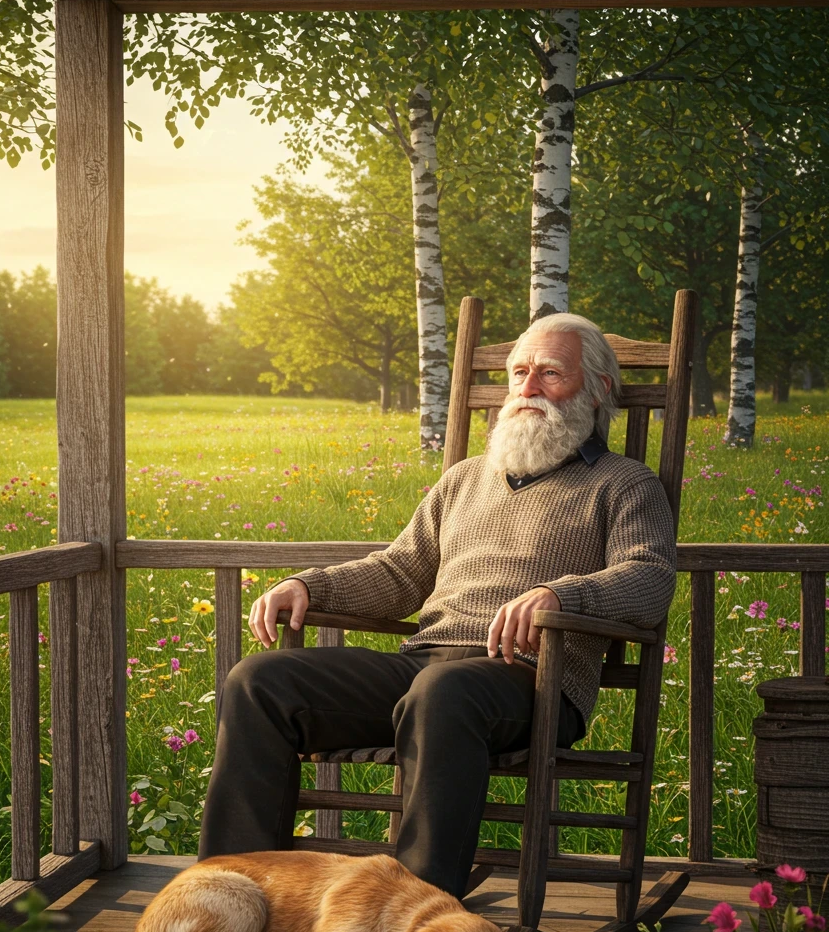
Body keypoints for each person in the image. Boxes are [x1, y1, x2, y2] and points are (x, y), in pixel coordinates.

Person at [199, 312, 677, 899]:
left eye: (550, 374)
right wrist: (312, 588)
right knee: (259, 681)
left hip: (528, 679)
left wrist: (563, 592)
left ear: (599, 389)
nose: (527, 389)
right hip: (425, 666)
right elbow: (401, 572)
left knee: (441, 693)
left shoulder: (626, 484)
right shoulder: (465, 479)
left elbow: (650, 578)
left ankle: (418, 910)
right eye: (519, 373)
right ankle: (230, 892)